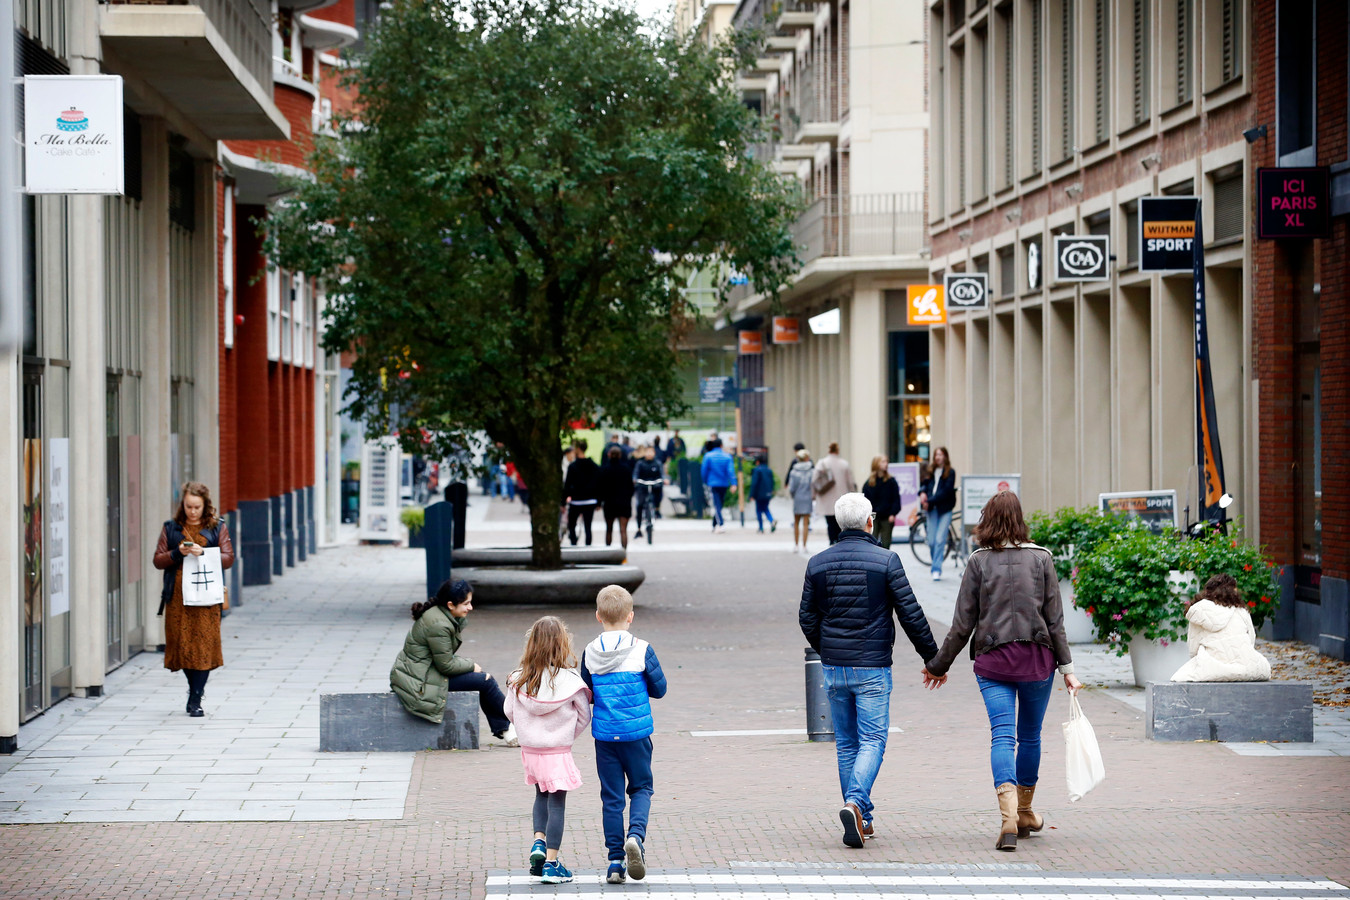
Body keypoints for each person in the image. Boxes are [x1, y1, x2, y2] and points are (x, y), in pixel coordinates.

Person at [921, 490, 1082, 852]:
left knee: (1002, 736)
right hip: (1037, 661)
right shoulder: (1042, 558)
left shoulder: (978, 561)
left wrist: (937, 666)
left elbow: (962, 624)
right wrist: (1067, 669)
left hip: (993, 662)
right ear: (1020, 518)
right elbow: (1055, 621)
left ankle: (1008, 817)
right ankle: (1024, 811)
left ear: (987, 520)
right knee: (1031, 736)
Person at [798, 493, 940, 849]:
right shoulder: (886, 561)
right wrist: (933, 658)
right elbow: (910, 613)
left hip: (834, 668)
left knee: (847, 744)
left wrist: (827, 649)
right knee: (873, 740)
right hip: (872, 666)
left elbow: (806, 617)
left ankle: (862, 819)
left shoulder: (817, 563)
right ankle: (855, 804)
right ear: (870, 522)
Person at [581, 585, 668, 884]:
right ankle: (636, 836)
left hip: (605, 736)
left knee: (612, 798)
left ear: (598, 616)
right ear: (630, 616)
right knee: (642, 788)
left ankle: (615, 863)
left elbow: (587, 693)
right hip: (636, 735)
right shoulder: (642, 649)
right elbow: (660, 689)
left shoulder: (590, 652)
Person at [504, 616, 593, 885]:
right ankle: (552, 864)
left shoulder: (519, 678)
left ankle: (538, 841)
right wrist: (565, 736)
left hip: (531, 751)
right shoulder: (571, 681)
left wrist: (528, 732)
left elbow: (509, 710)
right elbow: (584, 715)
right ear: (562, 644)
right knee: (557, 803)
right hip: (557, 750)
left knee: (540, 795)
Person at [389, 578, 518, 745]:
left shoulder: (441, 616)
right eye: (466, 604)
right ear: (450, 605)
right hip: (420, 681)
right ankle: (515, 726)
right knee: (486, 681)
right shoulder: (439, 625)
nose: (470, 608)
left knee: (483, 680)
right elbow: (445, 665)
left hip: (424, 672)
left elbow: (442, 657)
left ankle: (507, 728)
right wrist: (471, 665)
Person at [153, 482, 234, 717]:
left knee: (204, 647)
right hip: (178, 599)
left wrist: (205, 552)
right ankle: (194, 689)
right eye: (189, 506)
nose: (193, 511)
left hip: (207, 598)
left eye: (197, 507)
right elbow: (158, 560)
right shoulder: (171, 528)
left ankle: (196, 697)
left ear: (205, 505)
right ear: (183, 505)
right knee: (182, 646)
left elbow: (229, 558)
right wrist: (177, 553)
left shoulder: (217, 527)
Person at [1170, 574, 1272, 682]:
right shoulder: (1242, 611)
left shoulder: (1198, 611)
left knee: (1181, 675)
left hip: (1213, 668)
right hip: (1247, 668)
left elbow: (1193, 649)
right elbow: (1251, 640)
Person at [918, 447, 957, 580]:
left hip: (945, 509)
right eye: (936, 455)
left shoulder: (950, 472)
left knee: (940, 539)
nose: (938, 457)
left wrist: (929, 500)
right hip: (931, 509)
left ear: (945, 456)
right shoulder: (931, 471)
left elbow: (945, 491)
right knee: (931, 541)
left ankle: (936, 569)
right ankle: (936, 563)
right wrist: (922, 493)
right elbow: (924, 485)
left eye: (940, 455)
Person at [813, 442, 855, 544]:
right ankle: (839, 541)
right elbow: (850, 482)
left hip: (826, 497)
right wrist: (853, 495)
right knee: (840, 523)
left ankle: (832, 542)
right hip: (842, 497)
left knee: (830, 522)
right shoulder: (844, 464)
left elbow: (814, 479)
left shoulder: (822, 463)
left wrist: (814, 493)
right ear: (838, 450)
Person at [563, 439, 600, 546]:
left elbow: (567, 484)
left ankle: (574, 544)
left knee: (572, 525)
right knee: (588, 526)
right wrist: (598, 501)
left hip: (576, 500)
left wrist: (563, 501)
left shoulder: (573, 466)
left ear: (578, 449)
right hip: (590, 500)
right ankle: (588, 546)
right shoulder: (593, 466)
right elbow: (598, 484)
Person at [598, 447, 635, 549]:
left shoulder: (605, 469)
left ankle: (608, 551)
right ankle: (624, 553)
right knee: (623, 530)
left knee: (609, 529)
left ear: (609, 455)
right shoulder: (626, 469)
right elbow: (631, 487)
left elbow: (601, 487)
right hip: (624, 503)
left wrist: (599, 502)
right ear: (620, 455)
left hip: (609, 503)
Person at [861, 456, 901, 549]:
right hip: (873, 517)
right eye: (883, 462)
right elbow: (865, 501)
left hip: (887, 517)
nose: (886, 464)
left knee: (886, 544)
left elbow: (896, 499)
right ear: (876, 464)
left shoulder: (891, 481)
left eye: (886, 461)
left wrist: (893, 513)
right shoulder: (868, 483)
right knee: (872, 543)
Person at [700, 438, 735, 533]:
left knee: (717, 505)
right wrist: (733, 483)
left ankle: (720, 524)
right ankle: (715, 524)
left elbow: (704, 471)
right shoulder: (727, 456)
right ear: (721, 445)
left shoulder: (708, 456)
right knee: (719, 504)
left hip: (713, 483)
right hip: (724, 484)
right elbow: (730, 471)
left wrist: (705, 481)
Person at [787, 448, 815, 555]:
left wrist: (793, 496)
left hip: (798, 498)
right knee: (806, 523)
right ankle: (805, 545)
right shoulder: (811, 471)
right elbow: (814, 485)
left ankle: (796, 545)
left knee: (796, 522)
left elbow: (791, 488)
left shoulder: (794, 472)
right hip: (807, 498)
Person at [632, 446, 665, 534]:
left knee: (658, 495)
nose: (649, 454)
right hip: (643, 485)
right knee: (640, 504)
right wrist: (635, 479)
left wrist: (663, 480)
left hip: (654, 485)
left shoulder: (657, 463)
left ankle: (656, 510)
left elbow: (661, 474)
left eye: (651, 452)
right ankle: (639, 527)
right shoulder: (640, 463)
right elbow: (636, 473)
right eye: (648, 452)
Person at [749, 456, 777, 534]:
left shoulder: (757, 470)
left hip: (759, 494)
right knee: (765, 508)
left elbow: (754, 483)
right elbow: (772, 481)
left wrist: (751, 495)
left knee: (759, 510)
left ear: (758, 461)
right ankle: (771, 520)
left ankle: (761, 527)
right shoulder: (769, 470)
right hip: (768, 493)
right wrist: (771, 491)